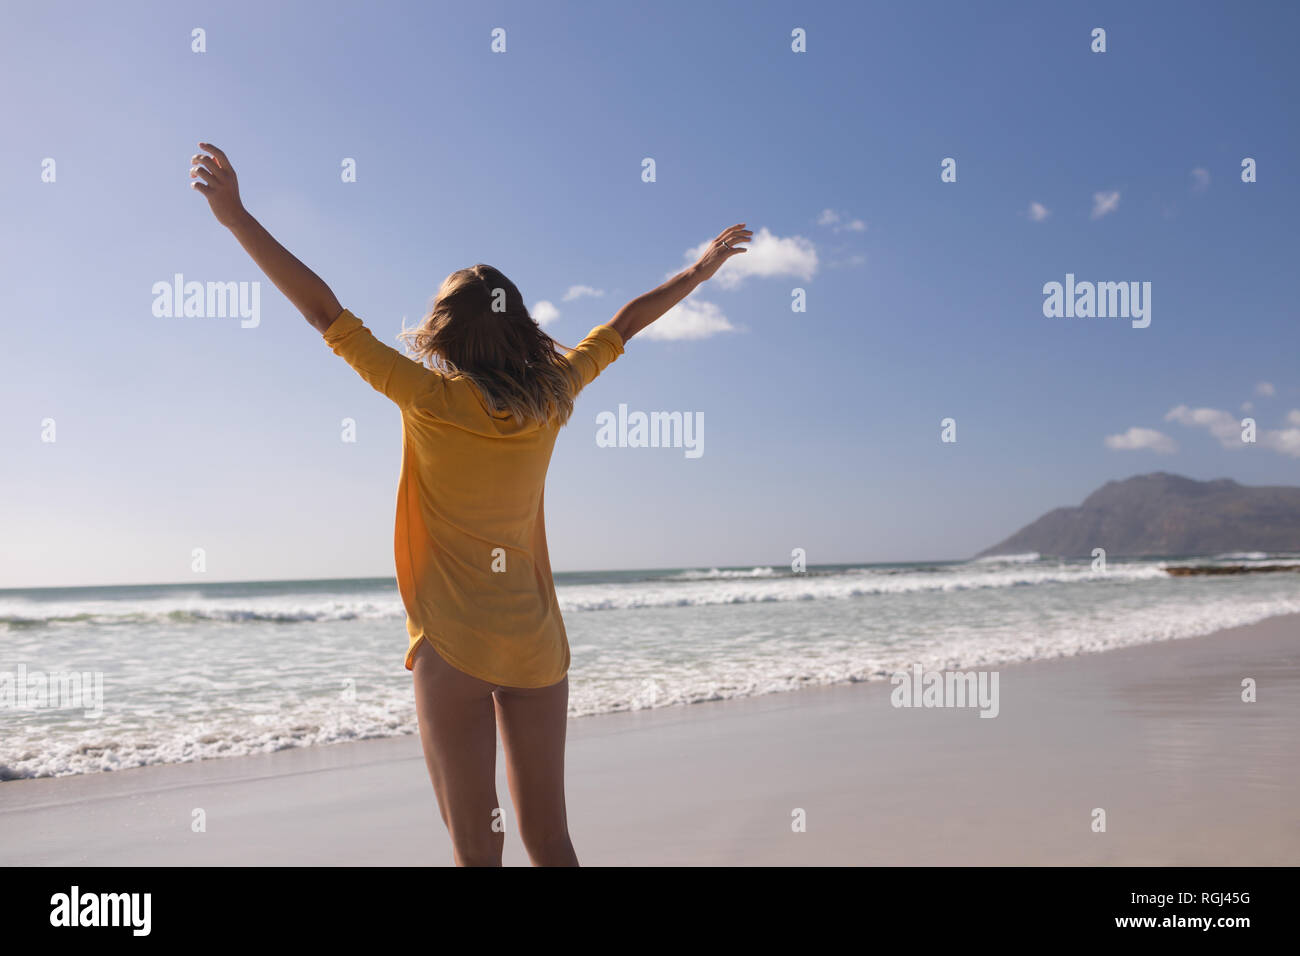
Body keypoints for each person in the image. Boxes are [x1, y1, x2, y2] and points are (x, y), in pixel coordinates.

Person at [190, 142, 750, 865]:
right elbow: (626, 322)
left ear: (443, 331)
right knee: (550, 839)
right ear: (516, 326)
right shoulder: (555, 394)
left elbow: (322, 309)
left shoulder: (426, 396)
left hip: (453, 646)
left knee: (476, 850)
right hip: (536, 642)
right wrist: (700, 272)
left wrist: (235, 218)